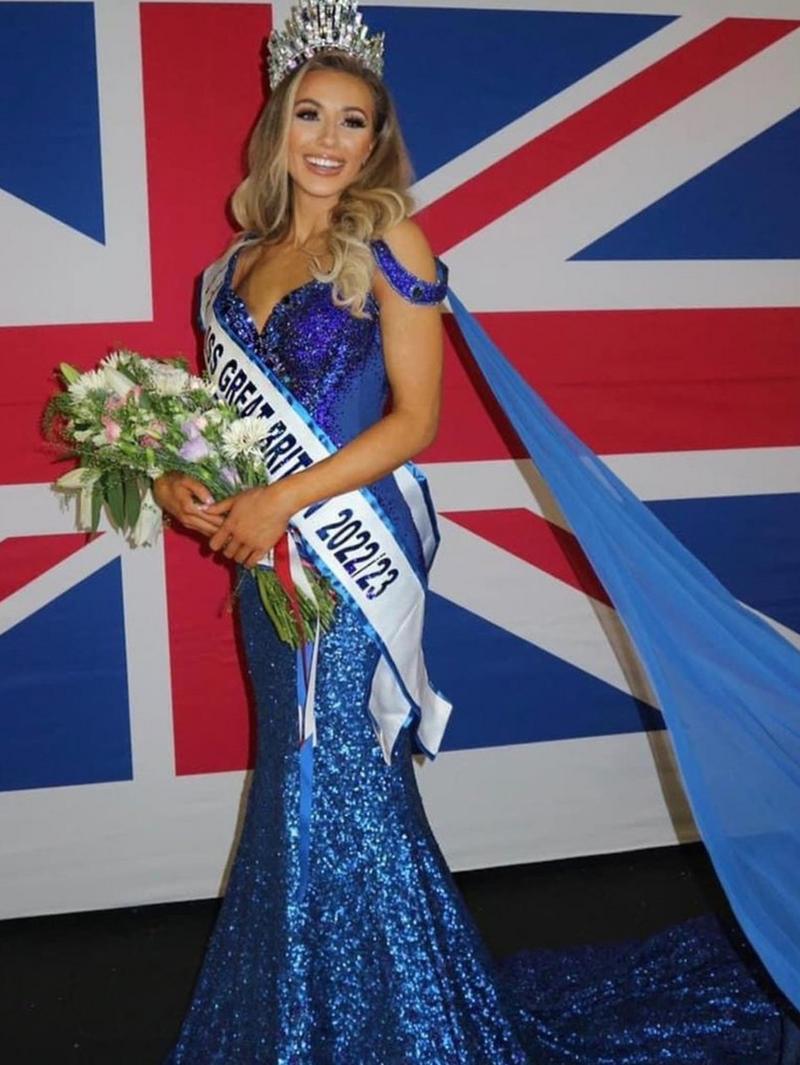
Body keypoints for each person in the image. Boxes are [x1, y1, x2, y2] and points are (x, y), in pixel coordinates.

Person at [155, 2, 797, 1061]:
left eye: (353, 121)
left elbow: (415, 420)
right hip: (264, 561)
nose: (328, 139)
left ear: (377, 139)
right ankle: (318, 1015)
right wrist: (187, 481)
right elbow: (217, 430)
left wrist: (284, 499)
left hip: (352, 554)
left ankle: (387, 1026)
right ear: (276, 126)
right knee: (295, 779)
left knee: (342, 775)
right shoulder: (224, 273)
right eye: (310, 114)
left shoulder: (389, 240)